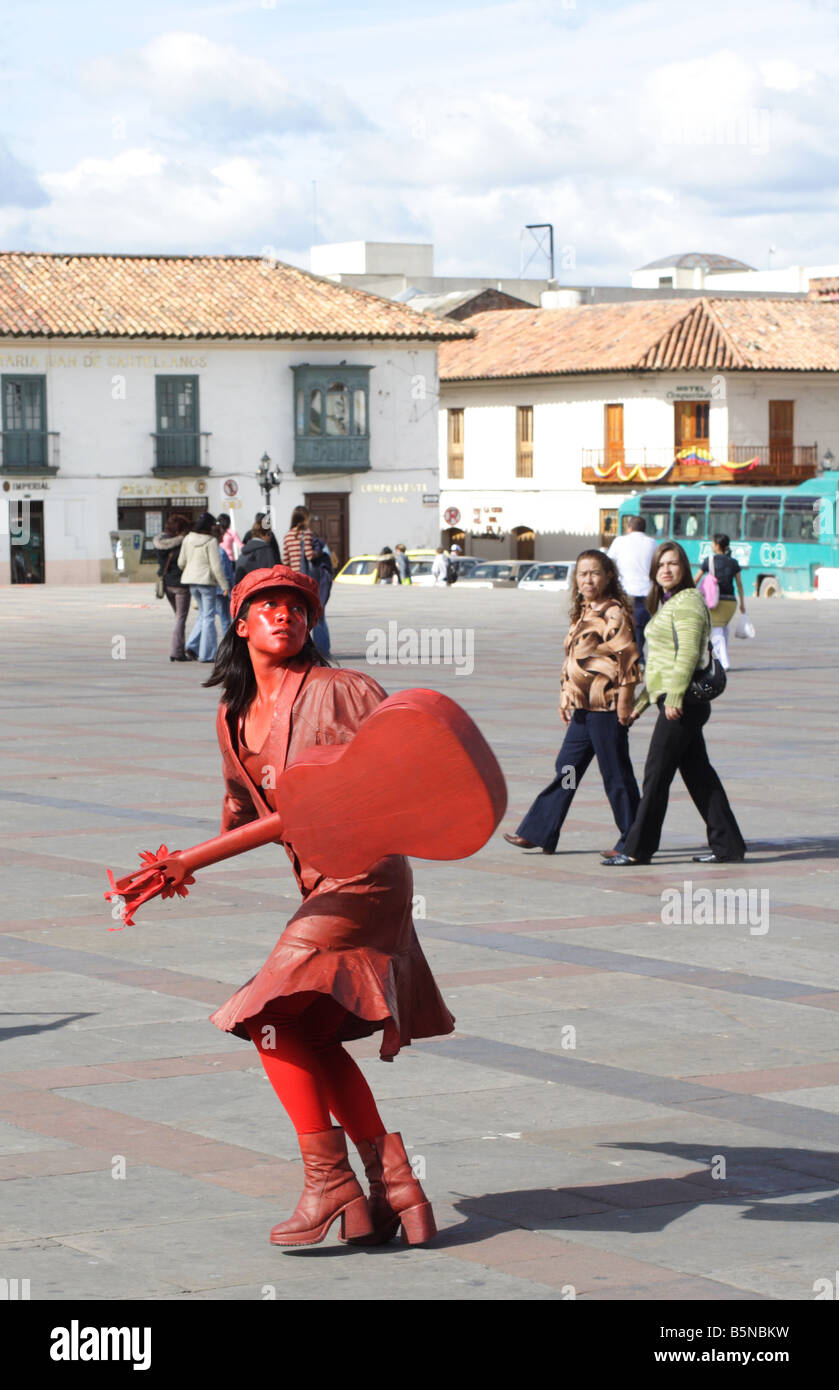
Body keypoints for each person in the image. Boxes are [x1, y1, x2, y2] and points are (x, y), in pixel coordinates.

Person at [203, 564, 452, 1246]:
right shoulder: (231, 717)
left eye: (296, 606)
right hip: (320, 886)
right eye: (267, 605)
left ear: (310, 623)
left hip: (365, 877)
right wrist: (175, 869)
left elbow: (410, 762)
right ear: (241, 620)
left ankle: (329, 1183)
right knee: (301, 1033)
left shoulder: (343, 690)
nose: (283, 615)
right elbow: (246, 816)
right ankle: (393, 1185)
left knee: (261, 1015)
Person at [603, 541, 746, 866]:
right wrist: (638, 707)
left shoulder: (688, 602)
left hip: (682, 704)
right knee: (699, 776)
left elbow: (687, 656)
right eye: (661, 565)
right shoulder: (668, 603)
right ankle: (729, 846)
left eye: (673, 564)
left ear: (683, 568)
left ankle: (637, 849)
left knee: (656, 775)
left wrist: (676, 696)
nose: (666, 569)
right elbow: (659, 667)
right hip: (672, 699)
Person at [503, 551, 641, 855]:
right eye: (582, 574)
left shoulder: (613, 613)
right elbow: (572, 659)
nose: (588, 579)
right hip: (582, 707)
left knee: (616, 773)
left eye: (594, 573)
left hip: (606, 707)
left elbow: (629, 657)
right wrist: (565, 694)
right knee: (567, 768)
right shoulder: (583, 611)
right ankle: (541, 830)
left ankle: (634, 838)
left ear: (608, 577)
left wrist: (626, 700)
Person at [178, 512, 228, 664]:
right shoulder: (211, 541)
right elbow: (216, 566)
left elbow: (181, 562)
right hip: (206, 582)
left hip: (191, 581)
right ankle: (207, 654)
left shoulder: (187, 539)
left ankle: (192, 645)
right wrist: (224, 585)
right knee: (208, 617)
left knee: (203, 615)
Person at [608, 516, 657, 661]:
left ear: (629, 528)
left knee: (623, 627)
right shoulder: (652, 543)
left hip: (625, 591)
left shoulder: (619, 541)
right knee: (641, 628)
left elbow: (608, 561)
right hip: (645, 592)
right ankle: (639, 657)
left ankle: (625, 657)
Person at [694, 534, 745, 672]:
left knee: (716, 631)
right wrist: (742, 604)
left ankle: (724, 662)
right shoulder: (733, 562)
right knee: (724, 629)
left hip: (715, 602)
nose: (711, 545)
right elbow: (739, 585)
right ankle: (723, 657)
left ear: (717, 545)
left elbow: (696, 580)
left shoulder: (708, 561)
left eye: (712, 543)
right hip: (731, 603)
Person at [153, 512, 192, 661]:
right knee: (180, 618)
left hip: (167, 584)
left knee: (178, 617)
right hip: (181, 585)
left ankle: (180, 648)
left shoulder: (159, 543)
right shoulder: (182, 543)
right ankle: (177, 652)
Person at [282, 505, 317, 574]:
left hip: (294, 575)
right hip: (305, 575)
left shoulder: (287, 535)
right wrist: (319, 553)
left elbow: (285, 561)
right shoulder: (306, 533)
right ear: (305, 519)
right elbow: (309, 555)